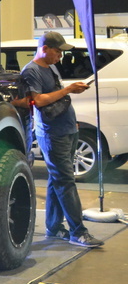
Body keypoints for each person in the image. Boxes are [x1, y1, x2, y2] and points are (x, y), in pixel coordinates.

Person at [21, 31, 103, 248]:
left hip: (67, 130)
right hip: (53, 134)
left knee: (56, 181)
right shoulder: (31, 70)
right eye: (57, 51)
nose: (60, 56)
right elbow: (38, 100)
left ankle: (54, 227)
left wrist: (72, 122)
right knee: (65, 182)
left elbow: (57, 97)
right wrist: (68, 89)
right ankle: (78, 232)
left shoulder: (51, 67)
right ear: (45, 48)